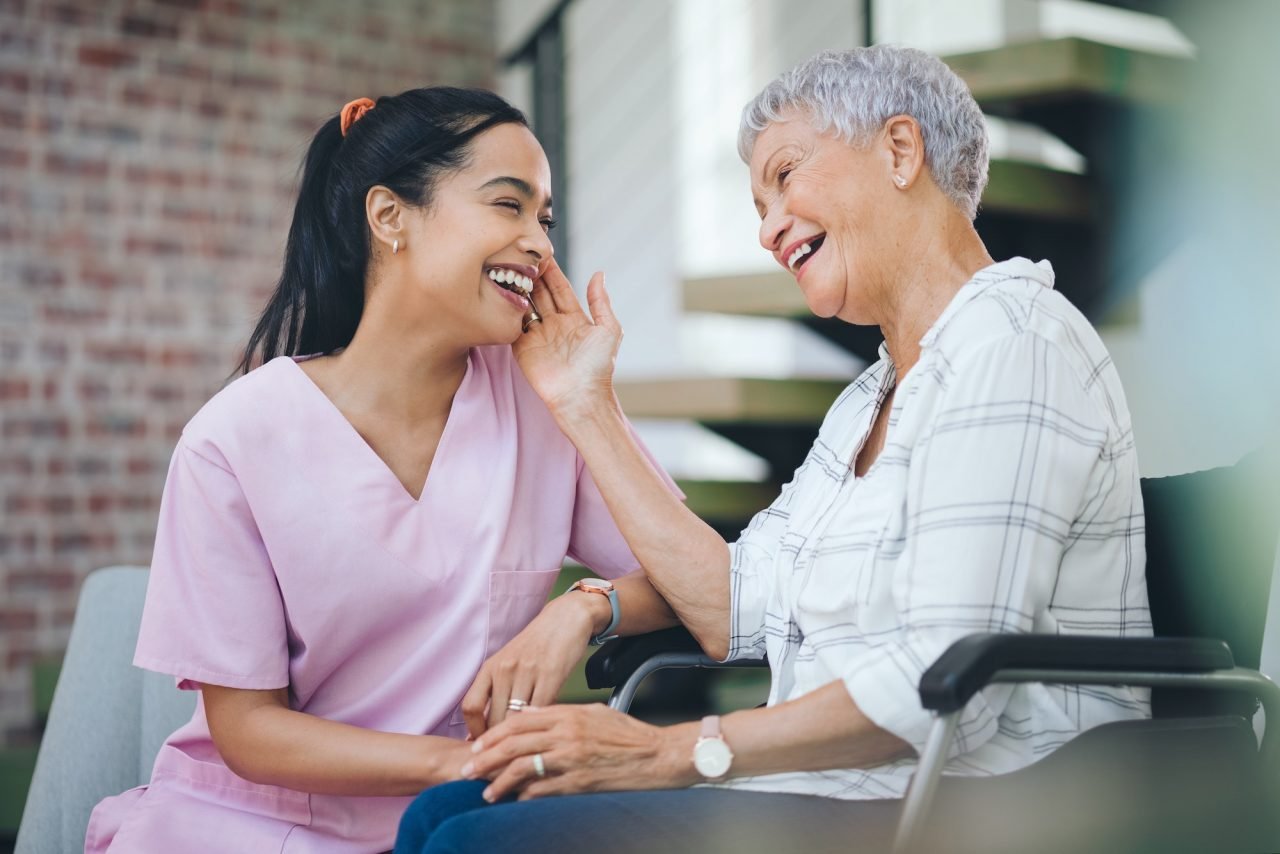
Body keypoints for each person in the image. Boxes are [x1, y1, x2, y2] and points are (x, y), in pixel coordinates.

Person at [395, 46, 1151, 854]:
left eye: (784, 177)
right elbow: (733, 605)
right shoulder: (872, 398)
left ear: (900, 152)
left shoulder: (1011, 346)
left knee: (472, 841)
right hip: (835, 794)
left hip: (972, 807)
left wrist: (668, 752)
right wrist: (585, 412)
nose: (766, 230)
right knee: (444, 812)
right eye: (759, 204)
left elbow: (937, 684)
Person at [84, 87, 681, 853]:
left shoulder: (548, 404)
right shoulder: (232, 441)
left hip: (464, 823)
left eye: (546, 219)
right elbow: (249, 730)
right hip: (256, 824)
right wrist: (465, 762)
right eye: (509, 205)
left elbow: (700, 585)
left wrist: (583, 607)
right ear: (390, 217)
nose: (540, 243)